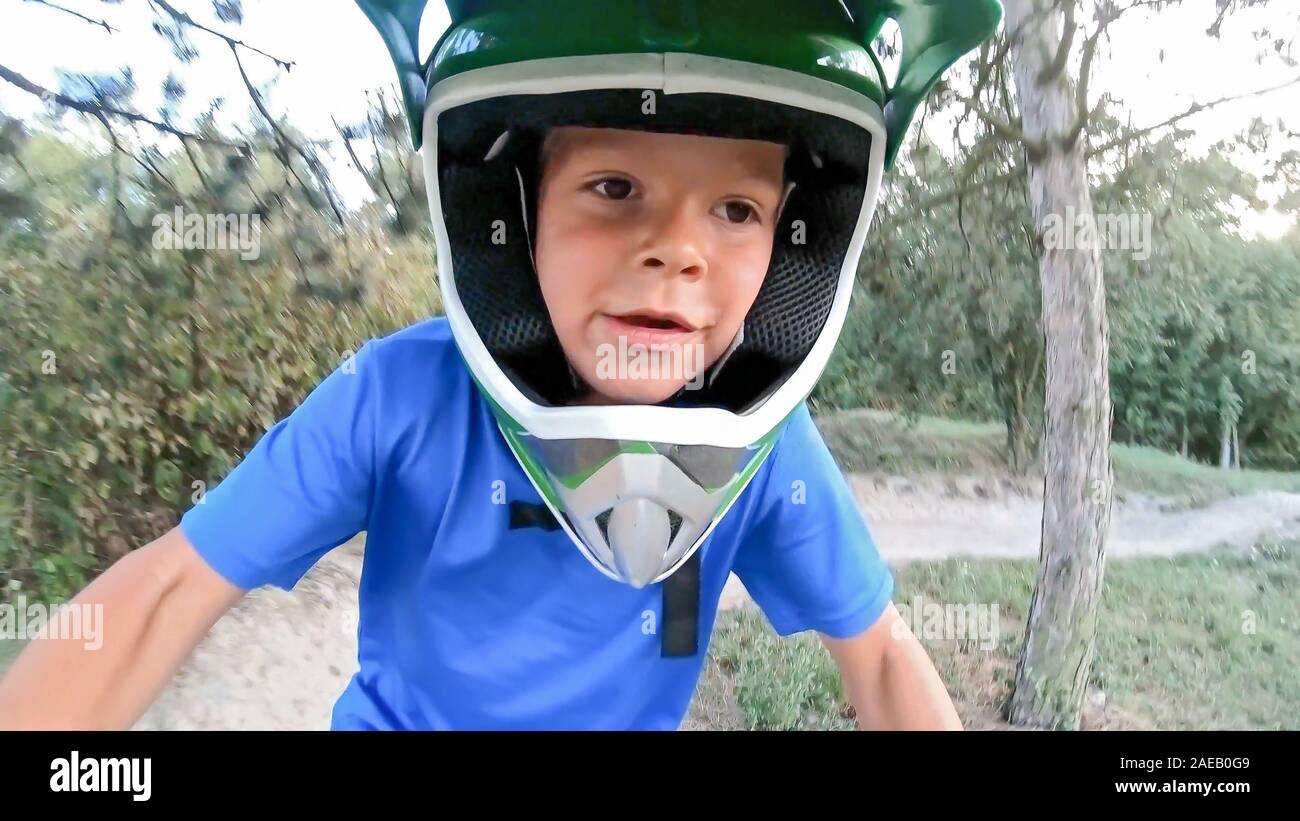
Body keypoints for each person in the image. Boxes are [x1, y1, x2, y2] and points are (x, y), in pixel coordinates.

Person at [0, 0, 1001, 730]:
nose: (679, 249)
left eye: (736, 209)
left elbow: (877, 657)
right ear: (507, 223)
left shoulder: (770, 447)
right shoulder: (396, 398)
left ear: (795, 240)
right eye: (614, 185)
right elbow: (172, 587)